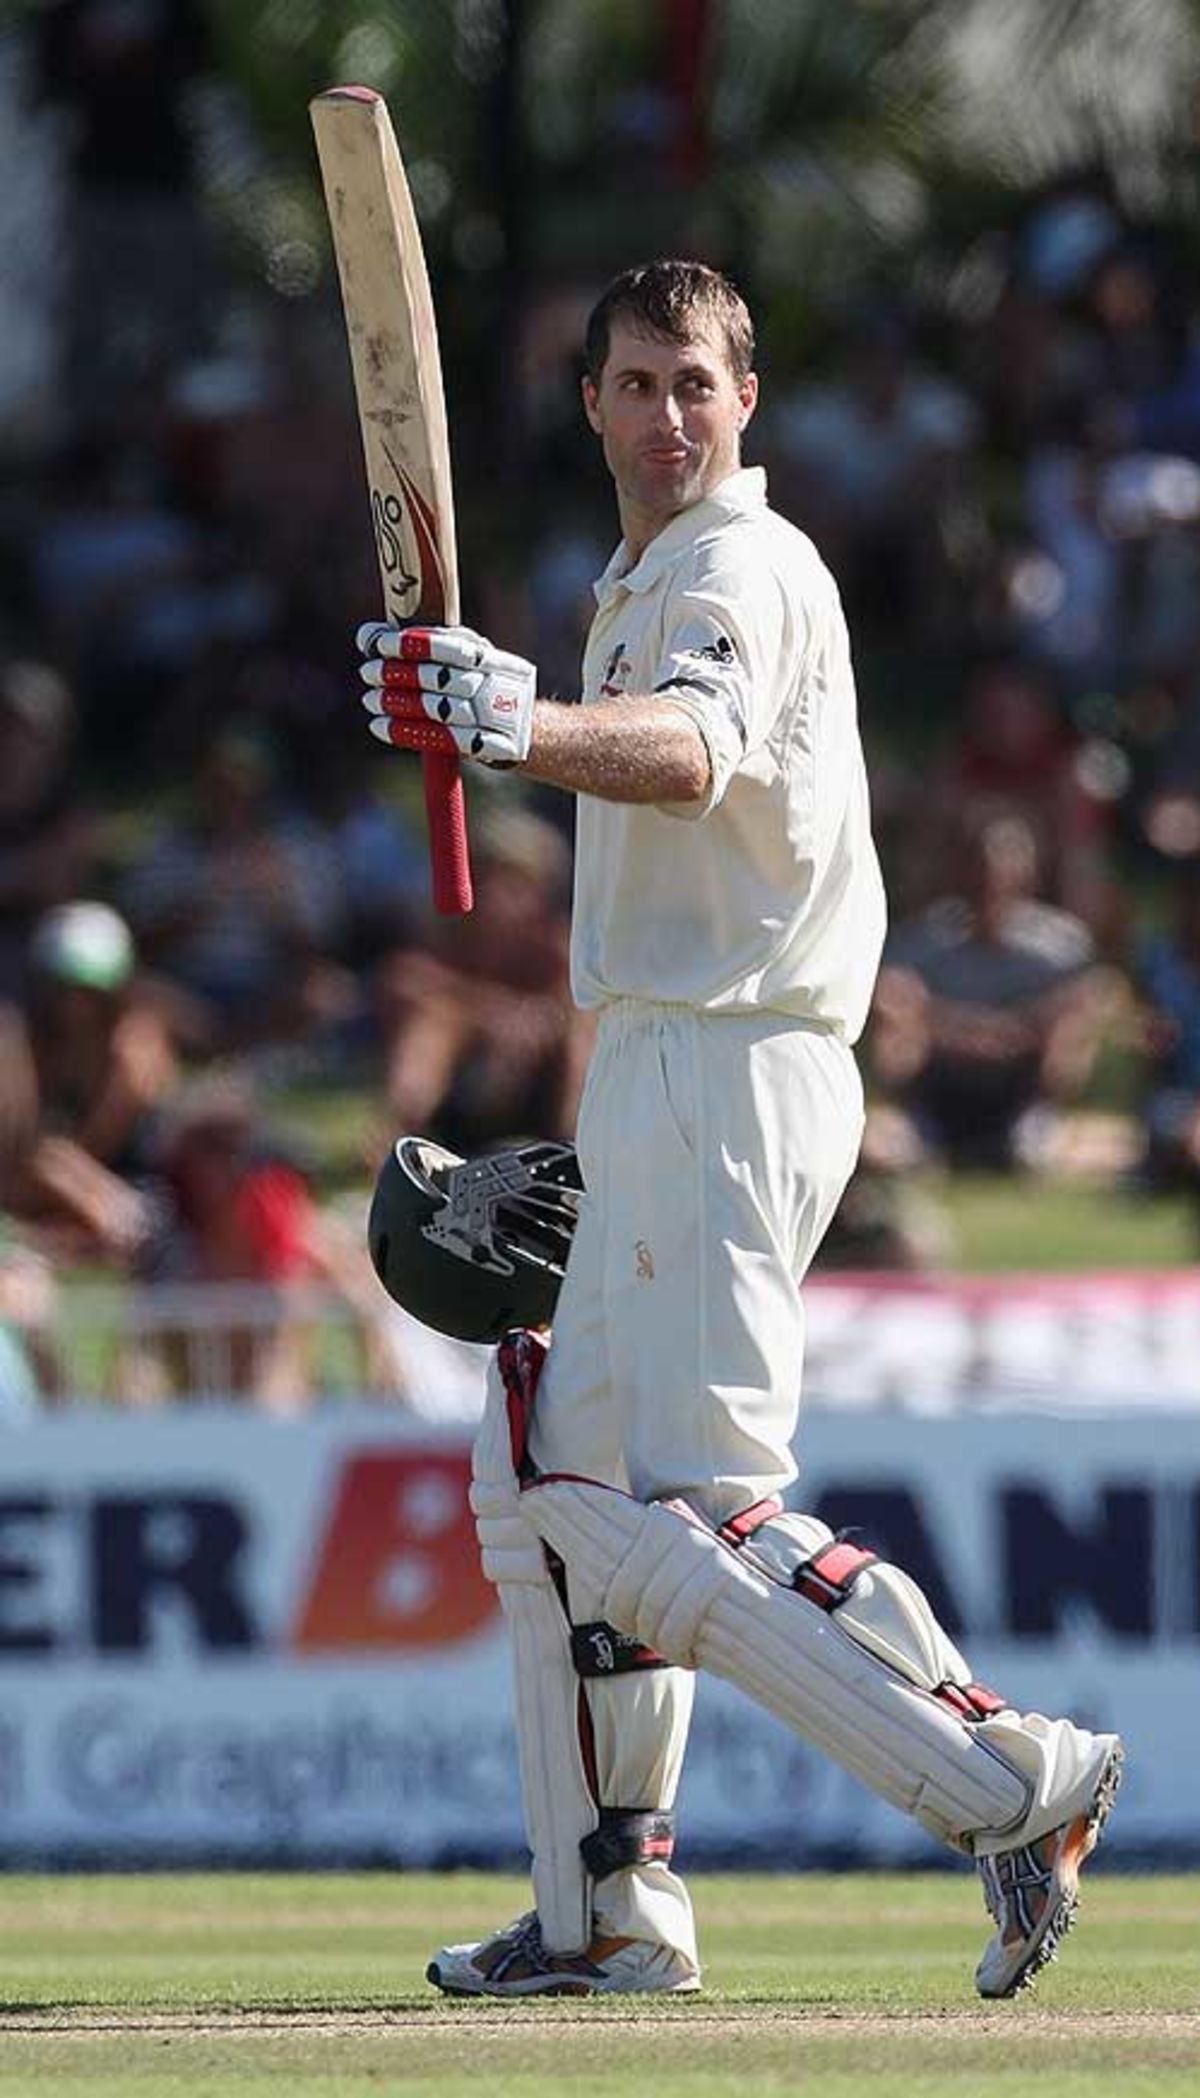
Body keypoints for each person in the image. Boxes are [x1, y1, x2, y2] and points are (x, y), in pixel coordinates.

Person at [353, 260, 1122, 2000]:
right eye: (636, 383)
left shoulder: (739, 567)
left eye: (697, 382)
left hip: (732, 1061)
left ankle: (1015, 1775)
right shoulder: (639, 579)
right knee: (542, 1476)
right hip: (658, 1064)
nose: (668, 415)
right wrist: (487, 700)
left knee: (696, 1510)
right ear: (595, 403)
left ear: (745, 400)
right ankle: (609, 1912)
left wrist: (510, 720)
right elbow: (641, 783)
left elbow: (691, 756)